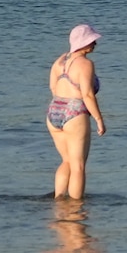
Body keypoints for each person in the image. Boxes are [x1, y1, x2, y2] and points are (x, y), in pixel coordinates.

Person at [46, 24, 106, 199]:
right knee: (78, 166)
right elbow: (87, 94)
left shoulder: (59, 61)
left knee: (67, 161)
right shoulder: (85, 64)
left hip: (54, 110)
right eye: (92, 40)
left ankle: (59, 199)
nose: (95, 43)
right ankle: (75, 207)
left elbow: (52, 87)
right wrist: (99, 119)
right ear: (83, 43)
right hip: (75, 112)